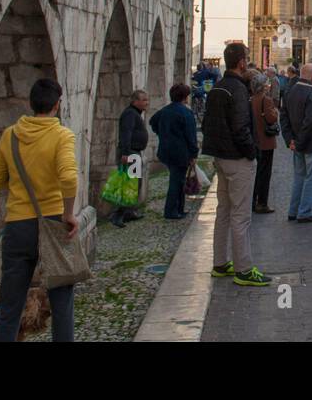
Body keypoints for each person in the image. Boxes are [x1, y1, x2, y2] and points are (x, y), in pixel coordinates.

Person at [0, 77, 78, 342]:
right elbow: (69, 178)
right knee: (62, 304)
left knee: (10, 306)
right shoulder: (62, 135)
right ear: (57, 105)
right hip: (53, 222)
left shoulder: (10, 135)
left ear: (31, 104)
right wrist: (69, 214)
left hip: (18, 225)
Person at [202, 43, 270, 286]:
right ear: (242, 62)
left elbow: (208, 123)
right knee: (241, 215)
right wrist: (251, 152)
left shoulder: (218, 88)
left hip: (220, 156)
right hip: (237, 158)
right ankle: (243, 268)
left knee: (224, 212)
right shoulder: (238, 90)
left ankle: (220, 262)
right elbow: (241, 127)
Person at [280, 62, 312, 222]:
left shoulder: (290, 90)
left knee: (299, 177)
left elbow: (284, 117)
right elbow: (310, 121)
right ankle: (305, 211)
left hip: (297, 143)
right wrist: (299, 142)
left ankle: (293, 210)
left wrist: (290, 140)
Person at [150, 83, 200, 221]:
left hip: (166, 150)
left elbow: (153, 122)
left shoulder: (165, 111)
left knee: (178, 180)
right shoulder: (186, 112)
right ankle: (171, 210)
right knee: (176, 181)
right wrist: (194, 153)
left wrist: (162, 133)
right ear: (185, 97)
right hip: (180, 152)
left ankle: (178, 208)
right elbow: (191, 136)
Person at [110, 89, 150, 227]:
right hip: (130, 153)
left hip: (134, 152)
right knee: (129, 185)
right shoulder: (130, 114)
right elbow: (126, 133)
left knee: (134, 184)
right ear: (135, 101)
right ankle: (118, 215)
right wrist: (125, 153)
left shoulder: (134, 114)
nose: (147, 102)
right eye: (144, 100)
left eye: (147, 99)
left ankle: (129, 212)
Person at [250, 72, 280, 215]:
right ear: (262, 86)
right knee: (264, 173)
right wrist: (275, 112)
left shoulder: (251, 100)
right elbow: (271, 118)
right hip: (266, 140)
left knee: (257, 172)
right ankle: (262, 203)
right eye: (266, 84)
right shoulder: (266, 100)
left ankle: (253, 200)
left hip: (255, 140)